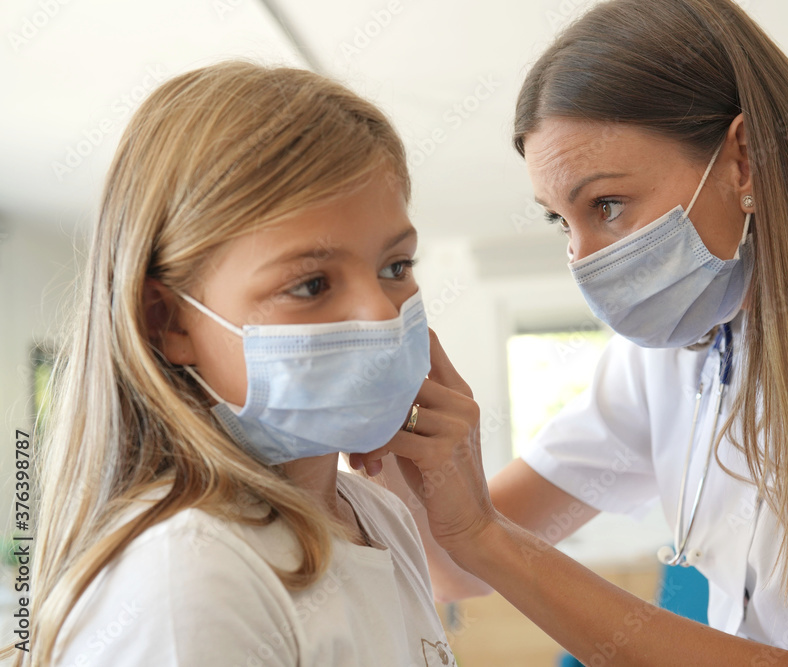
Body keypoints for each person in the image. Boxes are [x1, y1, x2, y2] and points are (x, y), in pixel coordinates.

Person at [358, 0, 788, 664]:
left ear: (744, 160)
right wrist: (392, 422)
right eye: (561, 222)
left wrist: (485, 536)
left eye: (608, 205)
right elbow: (452, 567)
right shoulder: (674, 355)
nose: (583, 259)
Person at [1, 61, 457, 667]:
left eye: (395, 267)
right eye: (311, 284)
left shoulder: (381, 516)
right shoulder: (187, 575)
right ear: (168, 321)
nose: (380, 313)